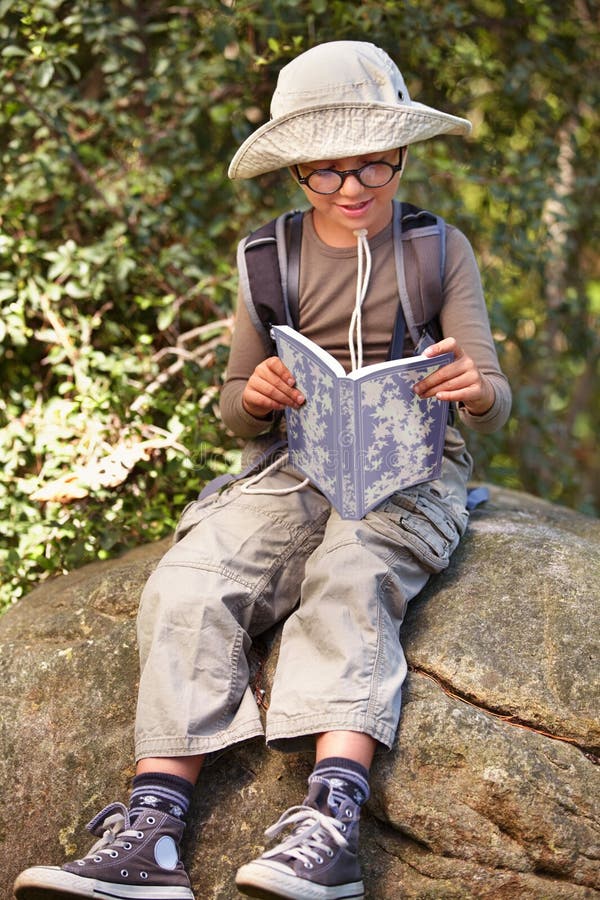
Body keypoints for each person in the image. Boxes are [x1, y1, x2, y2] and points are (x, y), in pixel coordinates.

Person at [14, 40, 511, 900]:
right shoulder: (266, 258)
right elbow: (231, 402)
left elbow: (495, 394)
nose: (353, 189)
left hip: (410, 464)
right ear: (295, 173)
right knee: (189, 584)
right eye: (326, 173)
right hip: (294, 462)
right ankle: (154, 831)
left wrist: (472, 389)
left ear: (401, 152)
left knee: (350, 575)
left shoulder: (439, 250)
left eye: (374, 166)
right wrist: (263, 394)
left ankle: (329, 822)